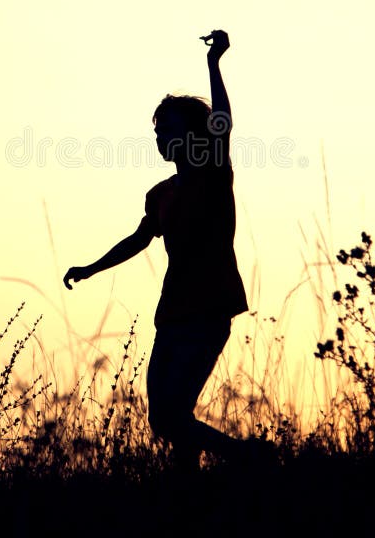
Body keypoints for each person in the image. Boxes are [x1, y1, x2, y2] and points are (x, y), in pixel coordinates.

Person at [64, 29, 271, 470]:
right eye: (158, 131)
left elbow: (223, 123)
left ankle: (249, 459)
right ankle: (193, 490)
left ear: (193, 133)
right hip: (173, 313)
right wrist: (91, 268)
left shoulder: (213, 169)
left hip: (210, 309)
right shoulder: (160, 194)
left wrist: (214, 64)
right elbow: (139, 239)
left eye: (169, 129)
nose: (160, 138)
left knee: (173, 416)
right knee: (165, 419)